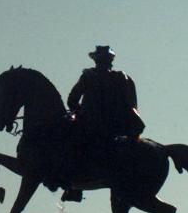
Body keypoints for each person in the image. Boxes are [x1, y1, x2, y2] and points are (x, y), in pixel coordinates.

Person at [61, 46, 145, 202]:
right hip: (115, 126)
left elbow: (72, 99)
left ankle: (72, 187)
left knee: (68, 144)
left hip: (90, 124)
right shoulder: (121, 77)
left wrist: (78, 111)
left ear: (96, 60)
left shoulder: (88, 76)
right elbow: (130, 102)